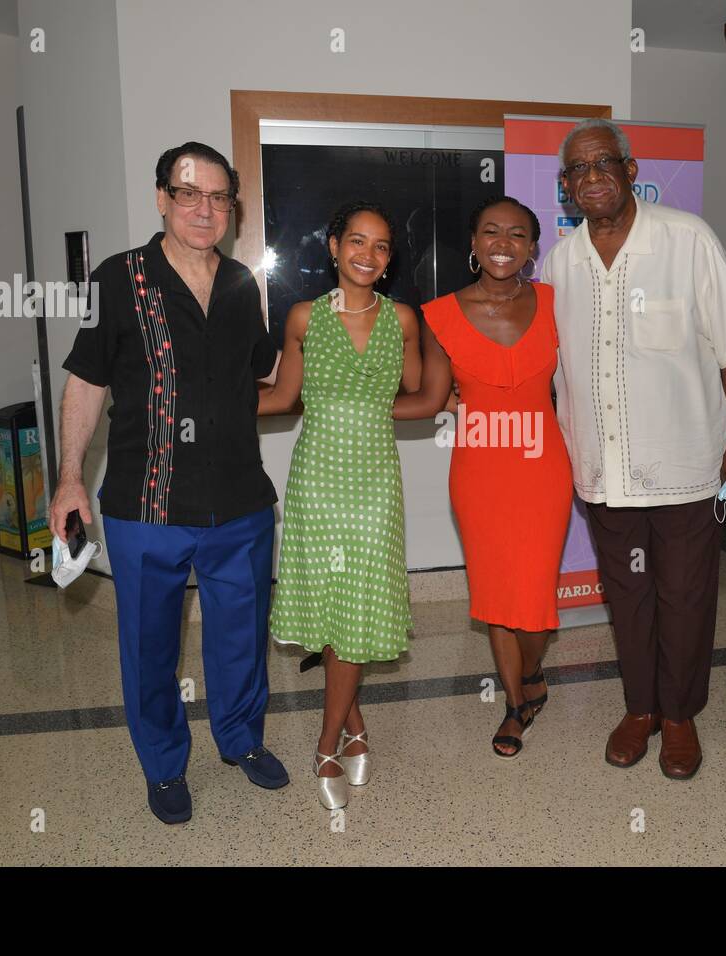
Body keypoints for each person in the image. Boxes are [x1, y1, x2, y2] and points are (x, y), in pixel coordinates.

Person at [50, 141, 288, 825]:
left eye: (219, 197)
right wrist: (70, 478)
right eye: (189, 193)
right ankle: (163, 767)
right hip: (144, 505)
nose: (204, 209)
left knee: (241, 635)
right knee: (151, 644)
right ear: (163, 199)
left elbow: (267, 373)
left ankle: (242, 741)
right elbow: (87, 381)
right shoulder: (114, 280)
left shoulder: (244, 285)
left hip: (240, 501)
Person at [541, 118, 726, 779]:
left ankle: (679, 715)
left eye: (604, 162)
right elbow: (551, 371)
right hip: (604, 474)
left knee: (686, 596)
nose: (592, 177)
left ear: (632, 171)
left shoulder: (687, 240)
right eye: (577, 170)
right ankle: (640, 708)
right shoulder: (560, 265)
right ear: (566, 188)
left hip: (687, 468)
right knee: (628, 596)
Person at [393, 196, 571, 759]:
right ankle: (516, 705)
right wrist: (354, 403)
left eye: (517, 234)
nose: (503, 242)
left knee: (536, 600)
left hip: (544, 467)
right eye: (491, 232)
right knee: (495, 596)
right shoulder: (440, 314)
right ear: (473, 244)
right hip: (480, 472)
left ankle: (534, 669)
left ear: (533, 248)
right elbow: (428, 399)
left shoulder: (555, 303)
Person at [258, 201, 421, 809]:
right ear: (333, 246)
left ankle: (327, 740)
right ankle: (351, 731)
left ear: (389, 259)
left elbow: (419, 392)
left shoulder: (403, 319)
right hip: (318, 479)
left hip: (376, 480)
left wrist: (458, 395)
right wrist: (209, 405)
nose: (368, 255)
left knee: (361, 598)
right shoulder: (303, 316)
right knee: (332, 603)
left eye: (381, 246)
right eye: (357, 241)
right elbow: (282, 398)